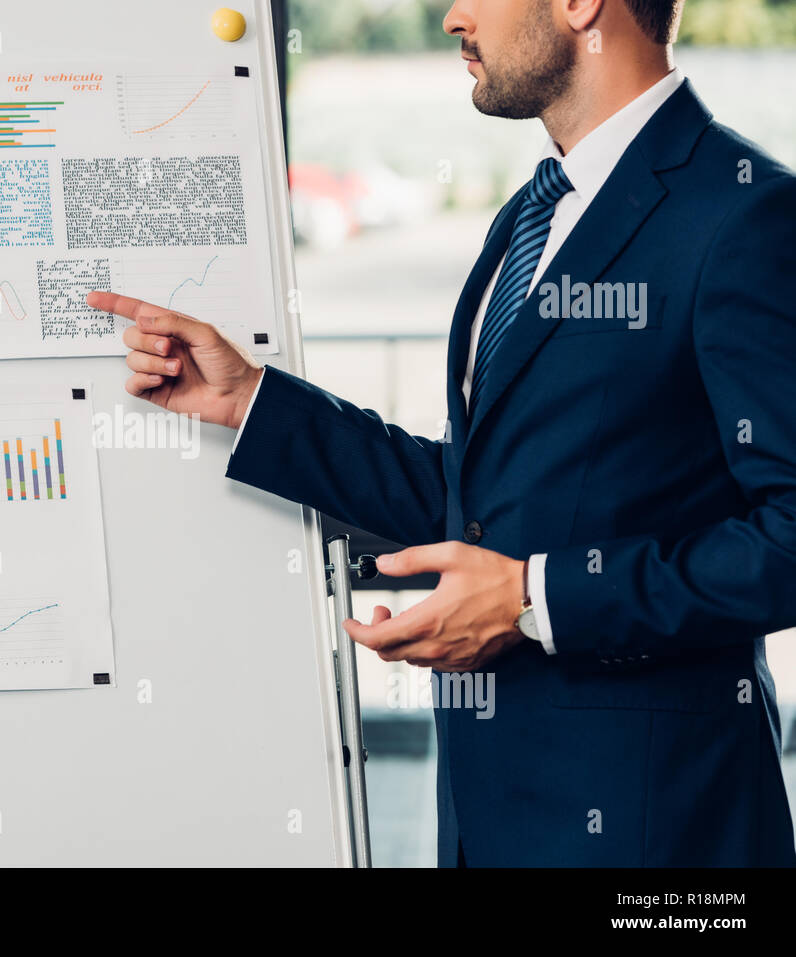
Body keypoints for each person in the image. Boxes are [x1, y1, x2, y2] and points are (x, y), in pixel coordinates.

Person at [88, 0, 796, 866]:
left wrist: (534, 600)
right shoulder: (531, 216)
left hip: (657, 835)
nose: (455, 15)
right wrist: (250, 401)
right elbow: (480, 499)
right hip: (485, 820)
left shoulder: (748, 216)